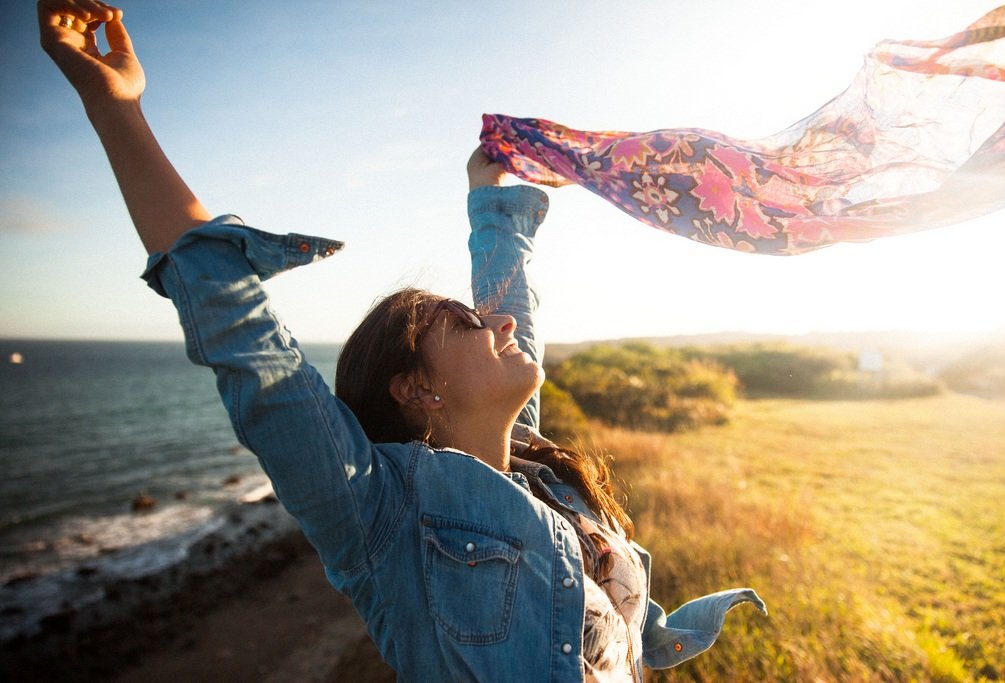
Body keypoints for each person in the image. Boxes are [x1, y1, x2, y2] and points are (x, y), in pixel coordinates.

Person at [37, 2, 766, 680]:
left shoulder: (541, 471)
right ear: (416, 389)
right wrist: (116, 108)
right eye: (471, 327)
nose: (503, 323)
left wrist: (491, 200)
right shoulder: (381, 518)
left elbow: (512, 301)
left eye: (478, 319)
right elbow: (246, 339)